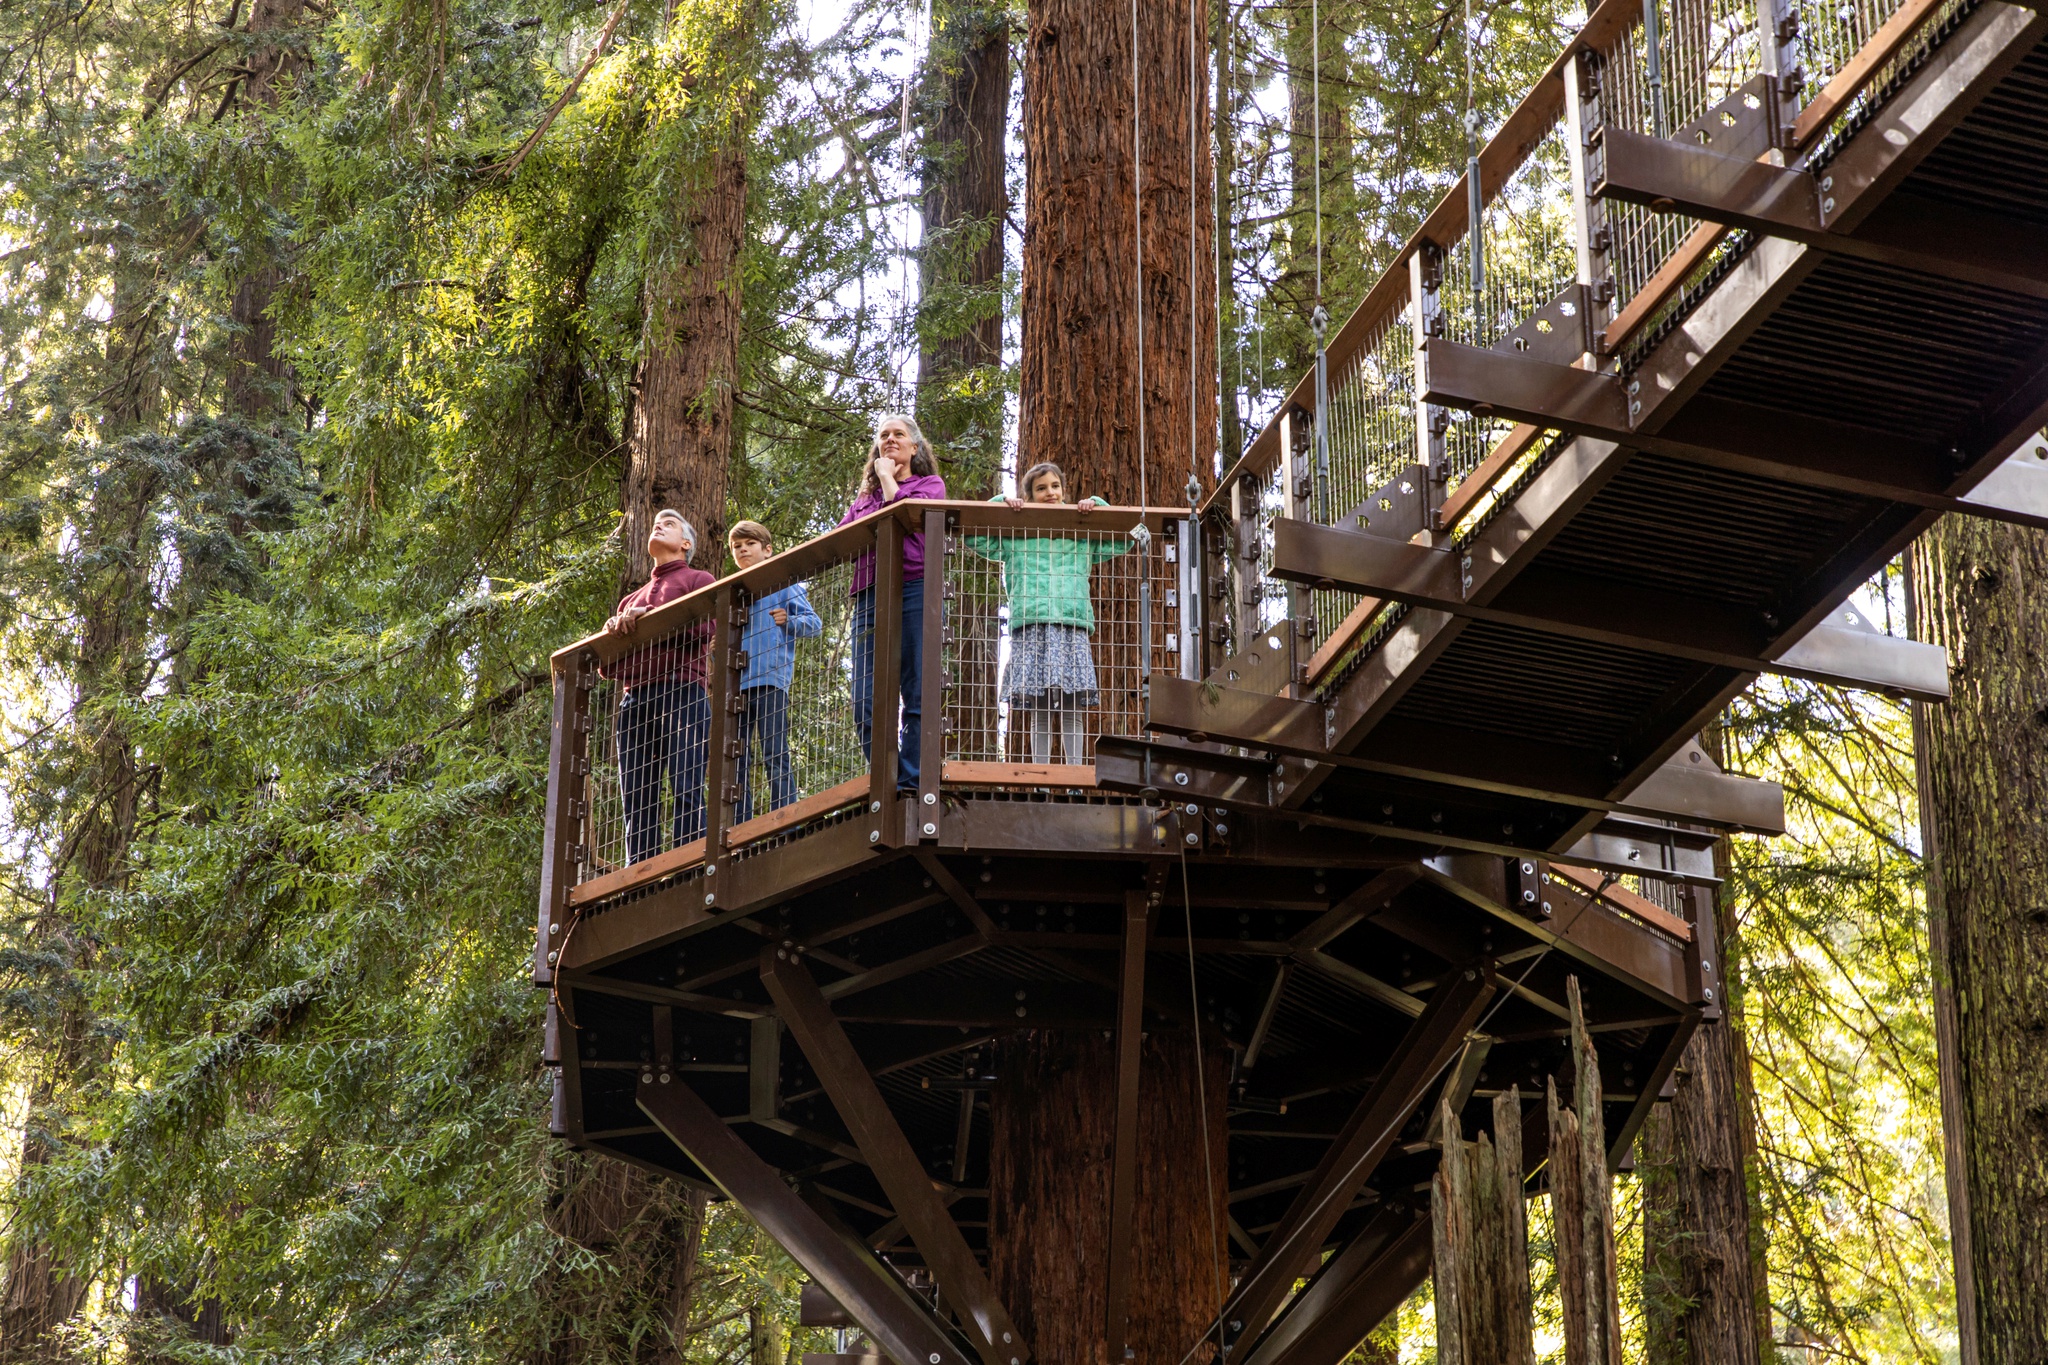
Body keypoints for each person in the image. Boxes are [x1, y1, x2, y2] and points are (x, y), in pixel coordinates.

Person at [969, 461, 1129, 765]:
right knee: (1039, 708)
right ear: (1028, 496)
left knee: (1072, 707)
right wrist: (1000, 504)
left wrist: (1096, 505)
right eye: (1041, 488)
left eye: (1055, 486)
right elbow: (976, 538)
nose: (1050, 492)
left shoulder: (1081, 530)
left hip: (1071, 624)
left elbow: (1121, 540)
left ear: (1064, 491)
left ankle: (1075, 775)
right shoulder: (1016, 530)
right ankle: (1040, 775)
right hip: (1032, 624)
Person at [838, 412, 946, 789]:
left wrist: (887, 477)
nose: (889, 440)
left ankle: (911, 784)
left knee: (916, 693)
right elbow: (841, 540)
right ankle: (892, 779)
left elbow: (905, 519)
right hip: (870, 594)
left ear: (914, 447)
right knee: (864, 703)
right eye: (883, 435)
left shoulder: (930, 485)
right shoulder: (864, 500)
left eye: (898, 434)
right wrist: (872, 491)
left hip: (916, 589)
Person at [604, 509, 715, 861]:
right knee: (637, 796)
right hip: (634, 701)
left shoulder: (698, 579)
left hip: (682, 692)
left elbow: (707, 628)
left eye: (669, 524)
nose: (658, 526)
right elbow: (610, 668)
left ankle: (687, 866)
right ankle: (639, 878)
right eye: (655, 524)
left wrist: (650, 622)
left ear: (685, 544)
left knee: (686, 785)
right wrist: (614, 635)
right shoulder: (629, 601)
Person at [727, 520, 822, 820]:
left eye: (749, 544)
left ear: (767, 550)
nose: (742, 550)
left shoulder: (783, 583)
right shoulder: (732, 593)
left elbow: (814, 624)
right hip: (736, 686)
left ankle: (785, 821)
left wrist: (788, 620)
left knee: (774, 752)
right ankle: (740, 825)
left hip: (770, 681)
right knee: (736, 758)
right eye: (736, 547)